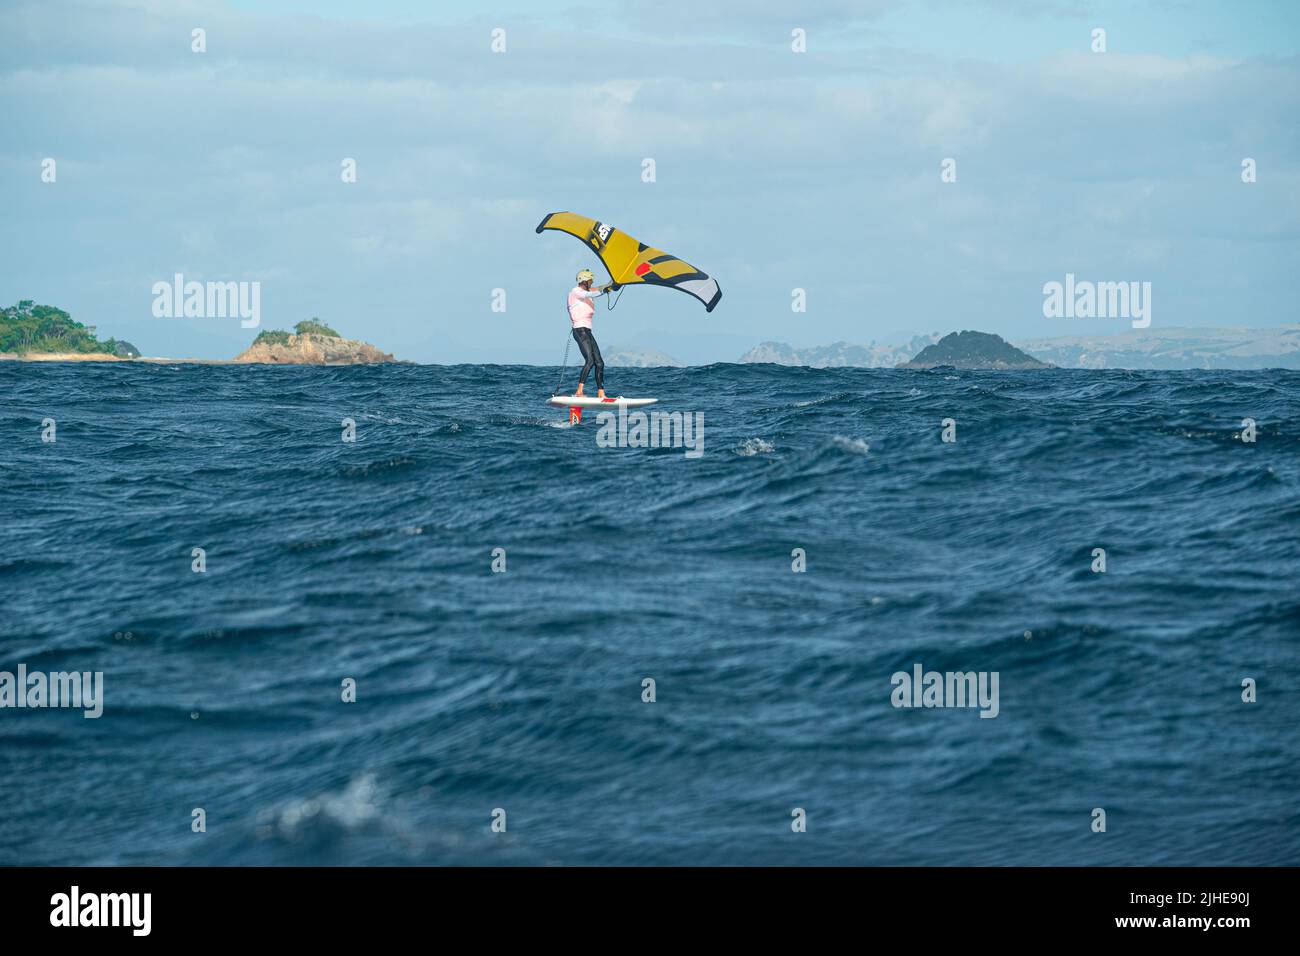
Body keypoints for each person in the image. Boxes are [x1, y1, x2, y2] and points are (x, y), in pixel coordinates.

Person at [567, 269, 612, 397]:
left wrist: (614, 284)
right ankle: (579, 391)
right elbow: (593, 294)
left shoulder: (587, 291)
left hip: (587, 331)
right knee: (590, 360)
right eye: (590, 281)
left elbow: (600, 288)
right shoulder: (576, 292)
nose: (592, 283)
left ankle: (601, 393)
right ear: (584, 281)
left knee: (600, 362)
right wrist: (605, 290)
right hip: (579, 330)